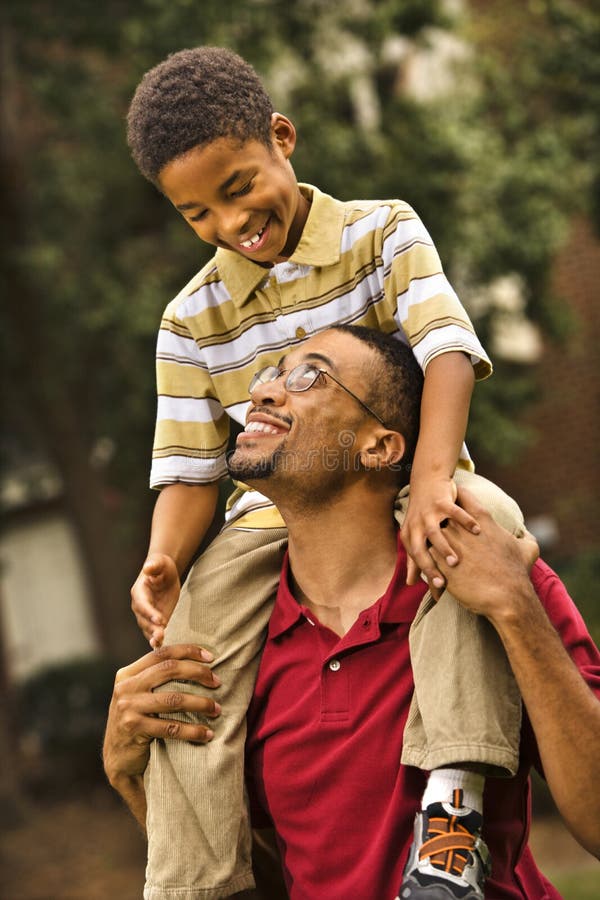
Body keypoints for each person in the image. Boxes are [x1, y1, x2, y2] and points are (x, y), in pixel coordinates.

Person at [125, 46, 521, 898]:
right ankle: (195, 882)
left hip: (412, 477)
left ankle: (451, 817)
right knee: (188, 667)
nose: (231, 224)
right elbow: (192, 468)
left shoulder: (381, 232)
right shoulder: (191, 318)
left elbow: (447, 351)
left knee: (480, 531)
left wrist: (431, 482)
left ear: (282, 138)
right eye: (196, 213)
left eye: (238, 188)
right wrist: (164, 559)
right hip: (272, 523)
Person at [104, 326, 600, 899]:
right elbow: (266, 886)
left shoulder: (497, 576)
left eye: (308, 376)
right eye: (269, 376)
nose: (265, 392)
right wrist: (128, 776)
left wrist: (516, 608)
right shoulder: (234, 647)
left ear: (380, 447)